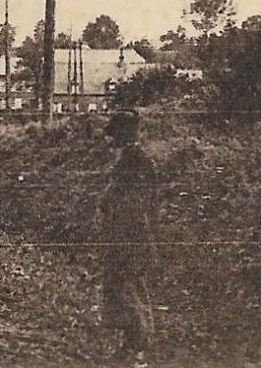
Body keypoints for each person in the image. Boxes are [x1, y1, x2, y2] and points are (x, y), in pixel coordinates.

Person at [97, 107, 158, 356]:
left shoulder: (138, 162)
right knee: (125, 287)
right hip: (123, 235)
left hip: (131, 236)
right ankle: (133, 343)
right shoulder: (129, 160)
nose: (111, 141)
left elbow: (136, 203)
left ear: (123, 135)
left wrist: (115, 218)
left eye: (115, 135)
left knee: (127, 288)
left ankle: (138, 345)